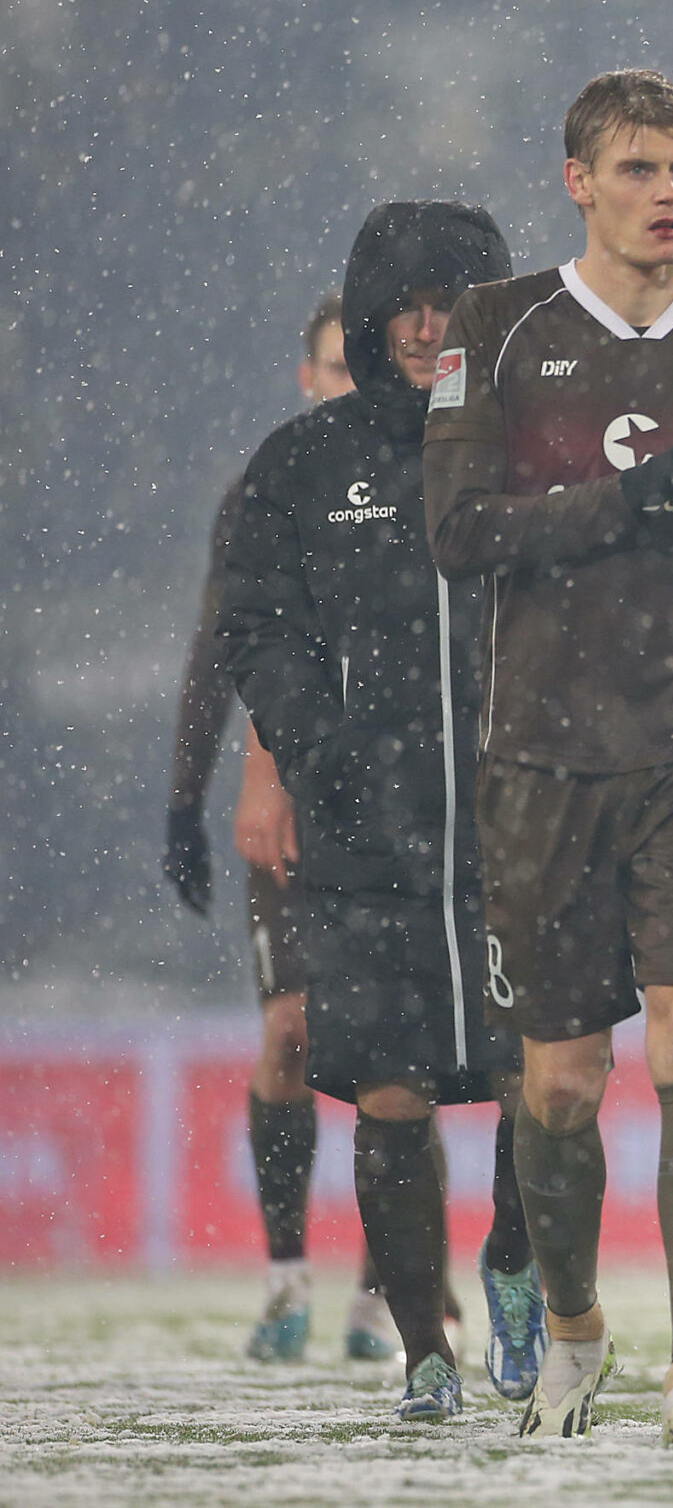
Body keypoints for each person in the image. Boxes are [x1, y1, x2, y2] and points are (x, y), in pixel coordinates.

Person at [425, 69, 673, 1449]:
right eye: (640, 170)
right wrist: (628, 502)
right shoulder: (500, 327)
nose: (668, 194)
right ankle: (579, 1332)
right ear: (579, 181)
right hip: (543, 750)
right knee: (561, 1081)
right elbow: (460, 531)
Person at [218, 202, 535, 1421]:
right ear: (368, 313)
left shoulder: (534, 445)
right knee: (392, 1095)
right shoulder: (302, 463)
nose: (425, 325)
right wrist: (317, 744)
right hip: (369, 832)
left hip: (516, 824)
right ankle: (426, 1356)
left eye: (451, 301)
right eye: (405, 301)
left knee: (533, 1084)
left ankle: (513, 1271)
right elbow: (253, 624)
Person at [166, 296, 384, 1364]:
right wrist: (184, 798)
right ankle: (287, 1280)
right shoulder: (263, 491)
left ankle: (385, 1294)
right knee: (293, 1030)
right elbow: (222, 650)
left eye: (365, 367)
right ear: (307, 377)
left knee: (401, 1044)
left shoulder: (428, 482)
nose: (349, 385)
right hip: (293, 794)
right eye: (335, 368)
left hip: (404, 800)